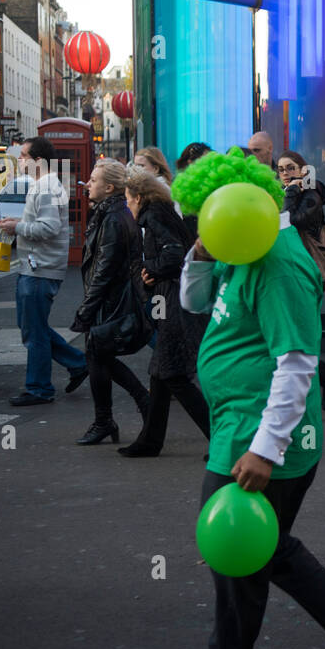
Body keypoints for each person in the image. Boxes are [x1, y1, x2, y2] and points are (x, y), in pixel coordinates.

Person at [134, 148, 325, 649]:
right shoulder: (241, 246)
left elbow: (298, 362)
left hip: (257, 438)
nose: (201, 227)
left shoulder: (279, 261)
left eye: (205, 216)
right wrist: (203, 255)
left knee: (236, 565)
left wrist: (265, 447)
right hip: (237, 426)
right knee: (265, 553)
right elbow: (195, 303)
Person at [117, 167, 210, 457]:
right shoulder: (162, 210)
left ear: (140, 196)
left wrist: (150, 270)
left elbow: (173, 256)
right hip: (171, 297)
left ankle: (221, 438)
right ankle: (150, 440)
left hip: (172, 301)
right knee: (161, 371)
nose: (127, 205)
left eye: (128, 199)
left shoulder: (154, 215)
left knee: (174, 375)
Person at [0, 136, 89, 407]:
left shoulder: (47, 188)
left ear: (39, 160)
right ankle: (78, 363)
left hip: (41, 269)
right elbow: (43, 222)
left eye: (24, 156)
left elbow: (49, 229)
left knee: (34, 333)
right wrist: (20, 221)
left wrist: (18, 228)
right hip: (35, 266)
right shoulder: (43, 185)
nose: (21, 161)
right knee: (31, 328)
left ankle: (39, 388)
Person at [70, 160, 150, 445]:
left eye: (93, 180)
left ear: (109, 187)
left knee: (97, 354)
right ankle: (116, 416)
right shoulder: (109, 213)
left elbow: (104, 271)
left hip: (111, 301)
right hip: (108, 299)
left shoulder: (114, 219)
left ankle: (111, 418)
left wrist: (86, 310)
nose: (87, 184)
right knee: (98, 356)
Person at [278, 150, 325, 411]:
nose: (285, 173)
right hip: (291, 270)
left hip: (306, 273)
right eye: (282, 169)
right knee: (293, 333)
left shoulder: (311, 196)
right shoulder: (287, 194)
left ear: (303, 170)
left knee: (297, 333)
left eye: (291, 168)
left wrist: (292, 192)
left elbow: (290, 222)